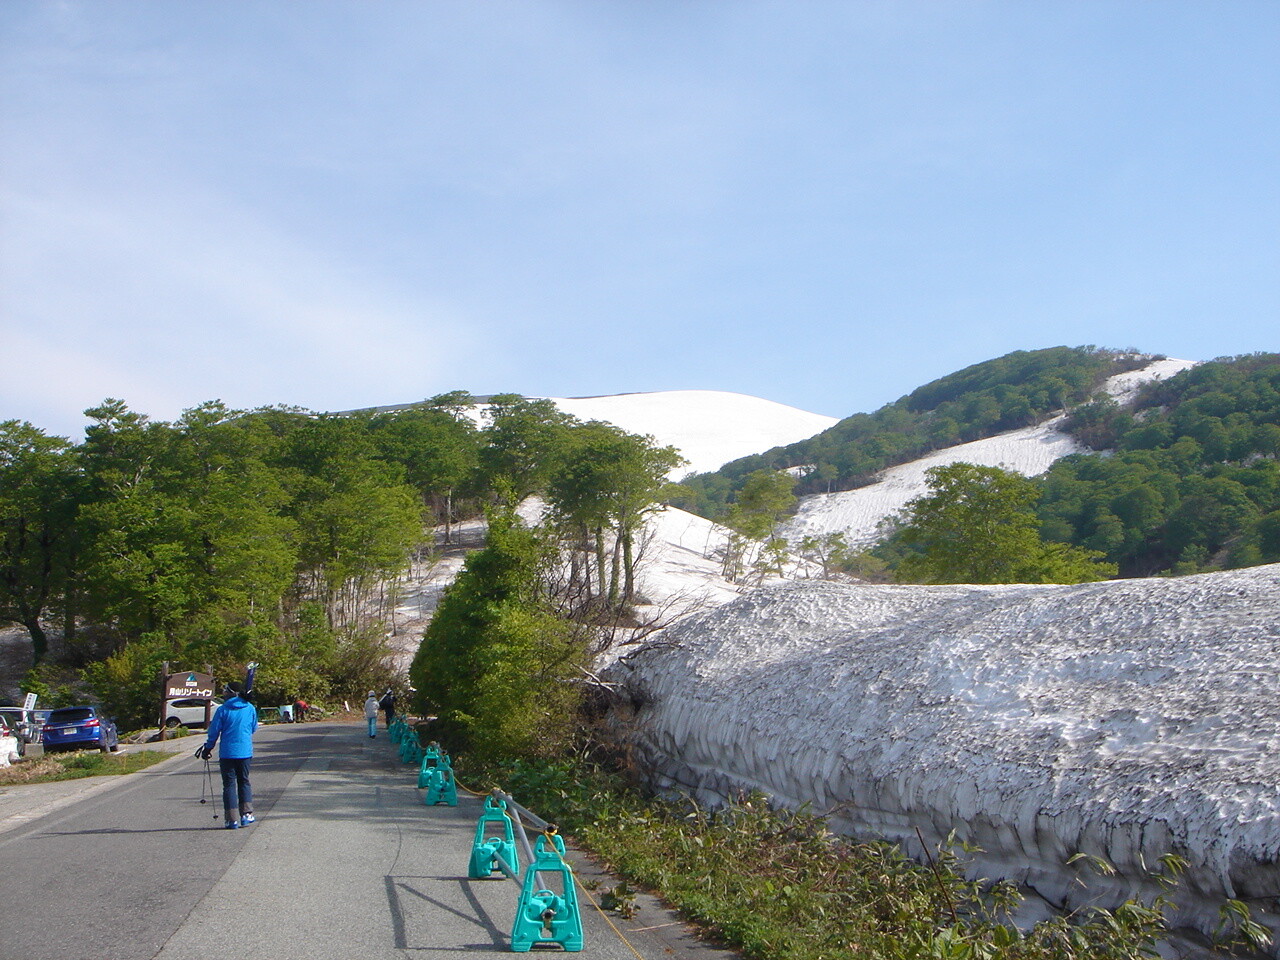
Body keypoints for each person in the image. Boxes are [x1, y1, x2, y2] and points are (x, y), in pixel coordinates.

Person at [199, 680, 259, 829]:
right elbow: (253, 727)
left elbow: (214, 732)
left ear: (232, 692)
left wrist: (208, 748)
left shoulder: (223, 709)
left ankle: (231, 819)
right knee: (244, 781)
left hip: (227, 752)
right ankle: (246, 814)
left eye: (225, 689)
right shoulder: (250, 708)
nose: (223, 692)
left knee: (229, 785)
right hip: (244, 751)